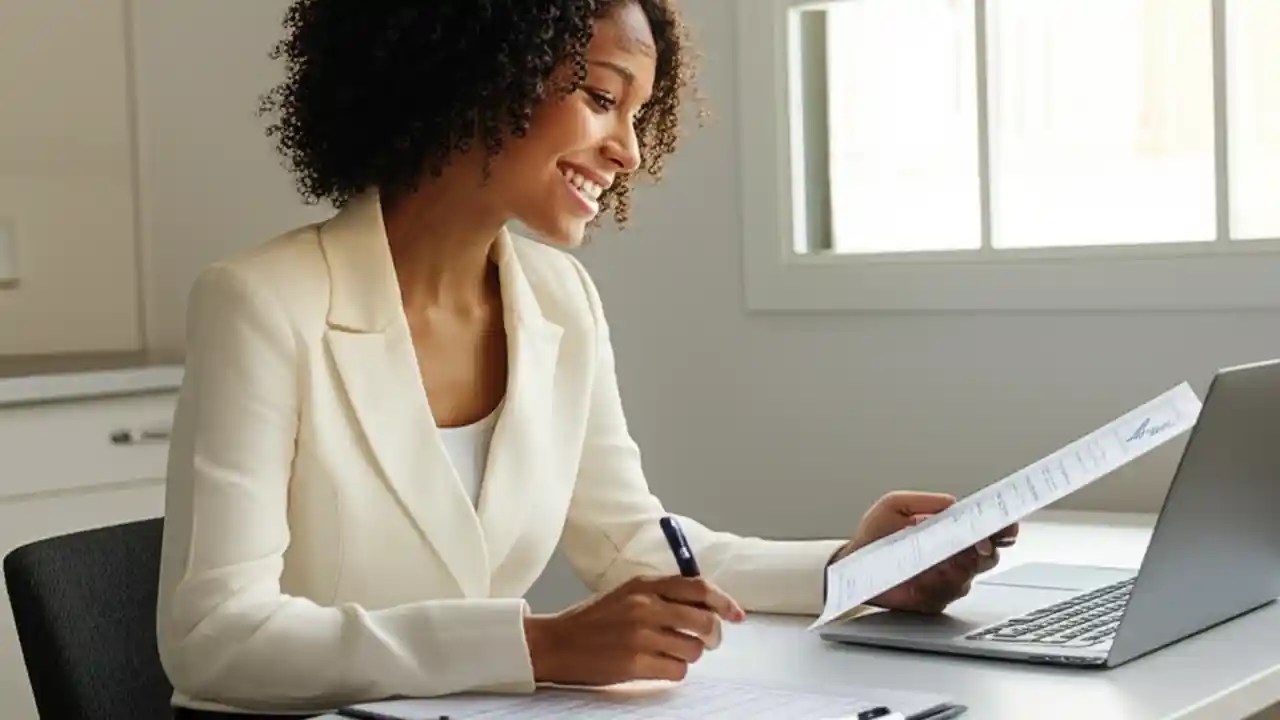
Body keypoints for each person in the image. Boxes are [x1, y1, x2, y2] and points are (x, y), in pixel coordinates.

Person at [156, 1, 1017, 718]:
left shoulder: (558, 299)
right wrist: (535, 646)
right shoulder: (262, 303)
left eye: (638, 114)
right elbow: (214, 638)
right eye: (603, 98)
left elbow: (632, 543)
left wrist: (857, 571)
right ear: (482, 73)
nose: (629, 150)